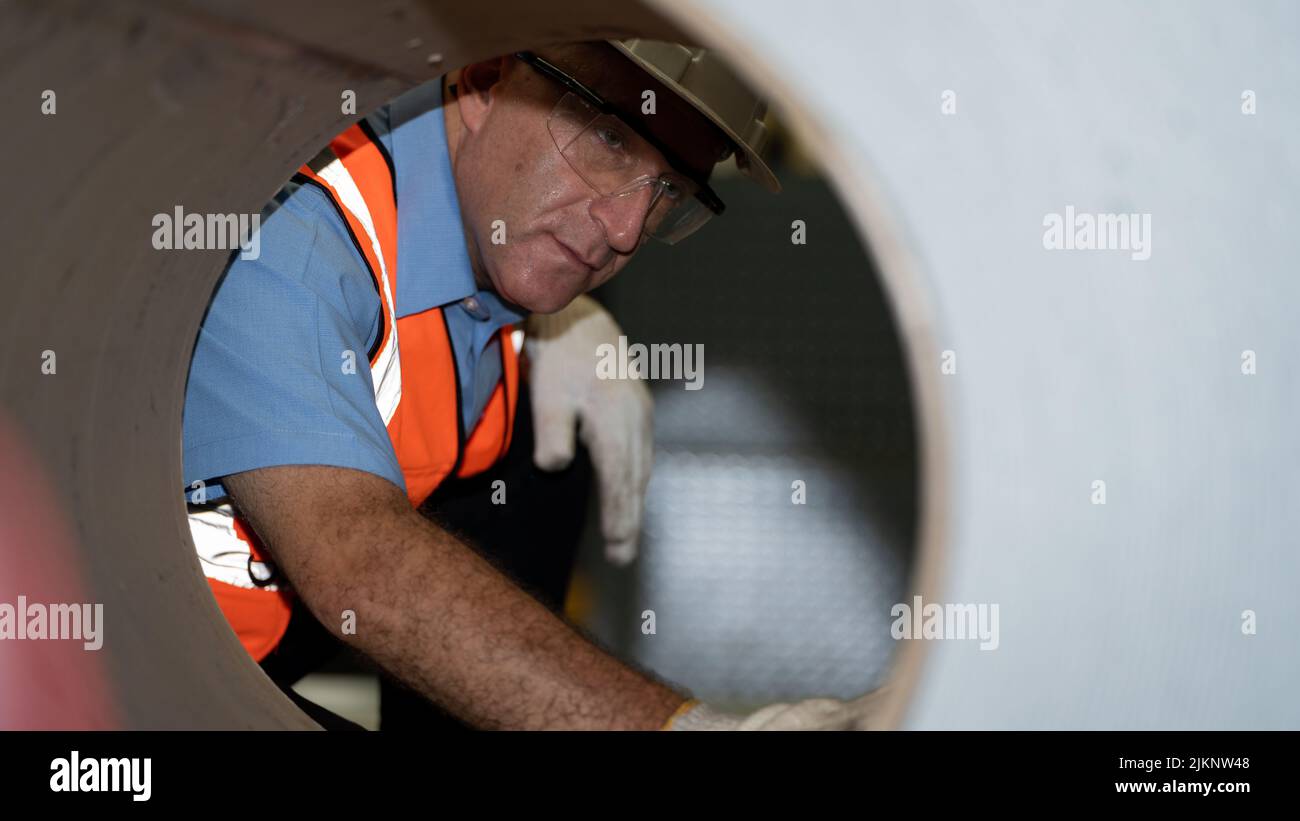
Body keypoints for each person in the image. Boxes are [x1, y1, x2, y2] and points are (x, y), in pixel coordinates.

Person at [183, 39, 888, 730]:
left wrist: (553, 316)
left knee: (548, 456)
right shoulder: (290, 238)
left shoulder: (496, 253)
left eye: (670, 190)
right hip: (119, 679)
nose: (625, 229)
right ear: (486, 81)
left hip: (263, 648)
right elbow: (357, 564)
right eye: (609, 140)